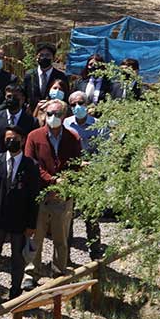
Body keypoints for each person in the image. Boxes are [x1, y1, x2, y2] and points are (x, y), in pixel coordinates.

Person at [22, 99, 82, 290]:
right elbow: (31, 164)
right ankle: (31, 273)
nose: (52, 118)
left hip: (62, 196)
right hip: (39, 195)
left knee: (61, 238)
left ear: (64, 116)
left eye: (57, 114)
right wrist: (52, 181)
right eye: (49, 114)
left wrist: (64, 186)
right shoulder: (34, 136)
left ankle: (58, 271)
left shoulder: (73, 138)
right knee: (35, 238)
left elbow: (75, 165)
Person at [0, 128, 39, 302]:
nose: (11, 142)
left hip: (19, 220)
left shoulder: (31, 165)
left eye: (14, 139)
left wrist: (31, 224)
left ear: (21, 140)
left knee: (18, 258)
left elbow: (34, 196)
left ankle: (15, 290)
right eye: (7, 139)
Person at [64, 92, 106, 260]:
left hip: (91, 175)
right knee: (68, 214)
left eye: (80, 103)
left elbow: (105, 150)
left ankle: (95, 250)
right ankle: (65, 253)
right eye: (73, 105)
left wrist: (91, 166)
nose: (77, 107)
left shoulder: (98, 126)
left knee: (92, 214)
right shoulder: (66, 123)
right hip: (71, 174)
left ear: (88, 105)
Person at [0, 84, 38, 155]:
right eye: (9, 96)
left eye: (15, 97)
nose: (12, 99)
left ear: (23, 99)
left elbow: (33, 146)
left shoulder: (32, 121)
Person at [22, 44, 66, 114]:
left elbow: (65, 97)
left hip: (54, 114)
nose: (44, 58)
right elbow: (23, 95)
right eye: (41, 55)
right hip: (33, 114)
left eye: (47, 55)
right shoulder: (29, 75)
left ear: (53, 58)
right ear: (36, 57)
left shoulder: (61, 76)